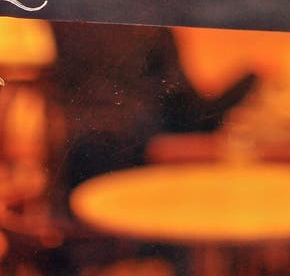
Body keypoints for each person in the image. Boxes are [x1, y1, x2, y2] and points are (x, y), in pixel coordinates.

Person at [49, 23, 258, 191]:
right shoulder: (153, 30)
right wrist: (249, 79)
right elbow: (188, 110)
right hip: (140, 156)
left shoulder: (67, 22)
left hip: (78, 158)